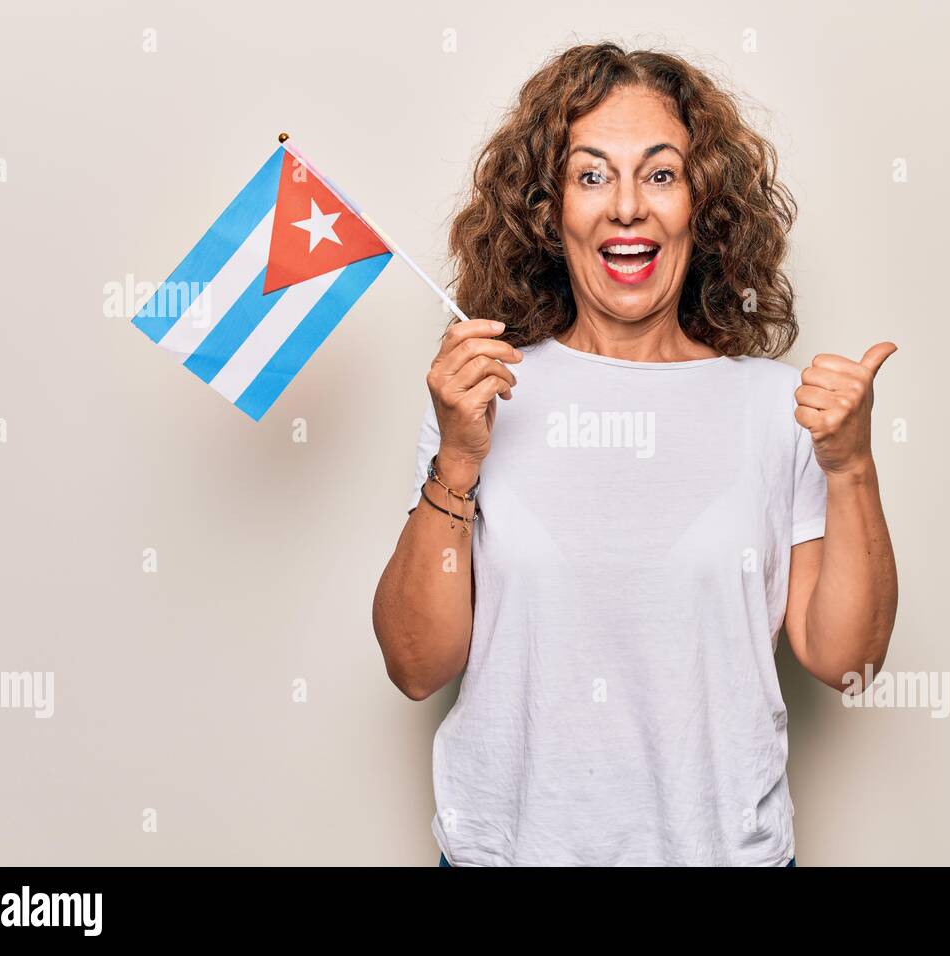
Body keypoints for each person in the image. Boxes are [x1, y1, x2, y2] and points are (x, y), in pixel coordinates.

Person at [372, 42, 898, 867]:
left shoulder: (775, 407)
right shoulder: (481, 394)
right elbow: (414, 666)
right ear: (549, 212)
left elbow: (847, 663)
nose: (626, 207)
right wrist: (459, 462)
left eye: (659, 174)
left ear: (703, 203)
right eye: (590, 175)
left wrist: (852, 469)